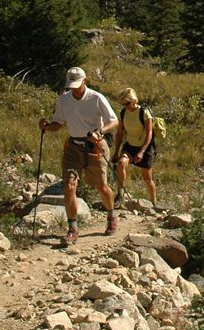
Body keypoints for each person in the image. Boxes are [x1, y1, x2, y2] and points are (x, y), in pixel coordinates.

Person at [38, 66, 119, 245]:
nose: (74, 89)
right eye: (71, 86)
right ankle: (72, 229)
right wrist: (46, 126)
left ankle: (111, 214)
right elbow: (58, 123)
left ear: (85, 81)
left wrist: (101, 131)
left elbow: (113, 121)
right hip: (73, 146)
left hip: (95, 146)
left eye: (77, 85)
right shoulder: (64, 100)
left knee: (101, 186)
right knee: (69, 185)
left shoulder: (96, 98)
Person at [112, 87, 156, 206]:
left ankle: (154, 202)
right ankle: (120, 195)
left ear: (133, 101)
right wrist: (116, 152)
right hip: (130, 146)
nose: (126, 106)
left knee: (147, 178)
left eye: (127, 103)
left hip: (145, 147)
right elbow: (120, 133)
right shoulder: (123, 113)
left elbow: (149, 134)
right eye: (123, 104)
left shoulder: (144, 112)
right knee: (121, 164)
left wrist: (142, 152)